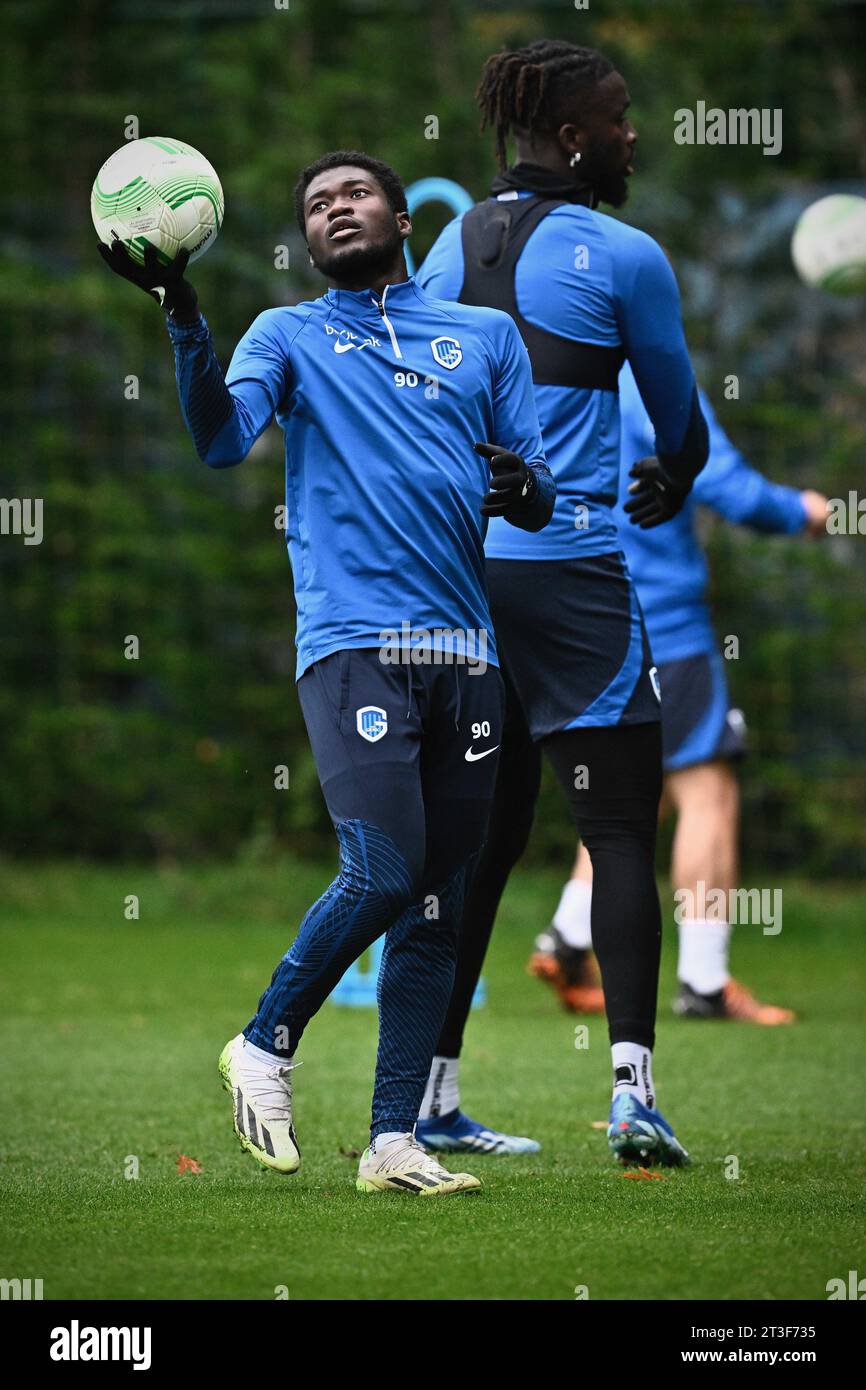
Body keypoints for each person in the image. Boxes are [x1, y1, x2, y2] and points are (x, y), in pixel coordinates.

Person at [98, 149, 554, 1195]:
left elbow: (534, 499)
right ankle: (263, 1042)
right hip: (352, 646)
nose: (334, 210)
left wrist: (516, 479)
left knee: (436, 903)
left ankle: (392, 1139)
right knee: (383, 869)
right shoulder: (288, 335)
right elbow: (221, 442)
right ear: (306, 238)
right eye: (314, 204)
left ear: (399, 215)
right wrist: (180, 312)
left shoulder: (482, 338)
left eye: (353, 194)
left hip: (465, 654)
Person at [415, 39, 708, 1166]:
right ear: (576, 136)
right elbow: (675, 418)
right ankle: (632, 1093)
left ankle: (433, 1093)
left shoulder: (446, 246)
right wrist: (669, 471)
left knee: (475, 846)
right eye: (621, 117)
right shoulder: (625, 253)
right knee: (620, 828)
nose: (634, 133)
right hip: (572, 573)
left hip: (455, 579)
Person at [535, 361, 829, 1024]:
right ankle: (702, 979)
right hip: (663, 622)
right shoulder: (653, 381)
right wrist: (800, 511)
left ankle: (569, 933)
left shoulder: (550, 372)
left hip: (582, 613)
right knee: (708, 791)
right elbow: (724, 484)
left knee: (638, 787)